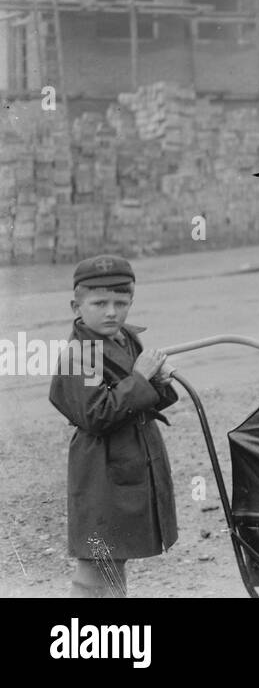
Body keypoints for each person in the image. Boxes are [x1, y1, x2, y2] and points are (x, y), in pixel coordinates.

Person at [48, 256, 178, 598]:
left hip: (129, 460)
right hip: (100, 468)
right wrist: (139, 378)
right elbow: (96, 414)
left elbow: (139, 398)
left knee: (113, 555)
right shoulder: (80, 354)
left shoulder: (125, 339)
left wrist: (157, 382)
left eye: (121, 303)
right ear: (76, 306)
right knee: (98, 556)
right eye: (100, 303)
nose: (111, 312)